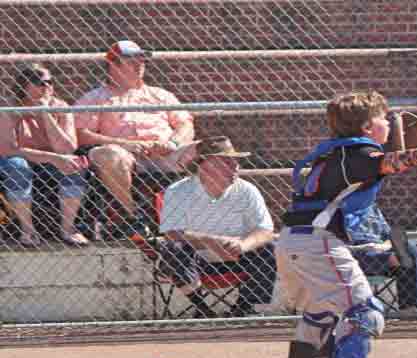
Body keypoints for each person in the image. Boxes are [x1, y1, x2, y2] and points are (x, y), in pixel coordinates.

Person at [276, 90, 417, 358]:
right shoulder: (359, 154)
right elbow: (388, 163)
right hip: (317, 241)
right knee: (366, 313)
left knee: (321, 312)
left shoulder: (335, 153)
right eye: (383, 118)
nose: (389, 122)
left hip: (292, 240)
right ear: (367, 128)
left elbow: (376, 167)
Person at [75, 40, 196, 235]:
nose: (140, 65)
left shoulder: (160, 95)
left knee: (212, 149)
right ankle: (132, 217)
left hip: (166, 153)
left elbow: (186, 124)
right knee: (110, 155)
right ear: (113, 65)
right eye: (132, 61)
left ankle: (210, 217)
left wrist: (172, 143)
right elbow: (81, 135)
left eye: (142, 60)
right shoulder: (95, 98)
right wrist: (128, 145)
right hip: (125, 156)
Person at [156, 136, 276, 318]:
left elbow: (265, 230)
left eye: (236, 161)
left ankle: (245, 308)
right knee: (174, 249)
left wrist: (243, 245)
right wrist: (210, 241)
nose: (236, 166)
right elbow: (172, 233)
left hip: (237, 256)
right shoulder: (178, 190)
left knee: (268, 247)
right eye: (227, 161)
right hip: (197, 260)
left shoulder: (247, 190)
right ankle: (203, 310)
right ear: (205, 165)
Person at [0, 63, 90, 247]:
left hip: (52, 161)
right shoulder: (9, 108)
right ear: (23, 86)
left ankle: (68, 229)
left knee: (74, 164)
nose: (46, 87)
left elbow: (67, 148)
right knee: (18, 166)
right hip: (19, 161)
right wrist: (53, 157)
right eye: (39, 82)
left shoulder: (61, 107)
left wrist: (46, 113)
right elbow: (9, 150)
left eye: (50, 82)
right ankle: (28, 230)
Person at [346, 208, 417, 310]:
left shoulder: (372, 208)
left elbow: (388, 236)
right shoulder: (340, 207)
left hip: (380, 250)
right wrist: (367, 247)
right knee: (404, 255)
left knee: (408, 249)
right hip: (356, 254)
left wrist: (383, 246)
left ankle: (410, 306)